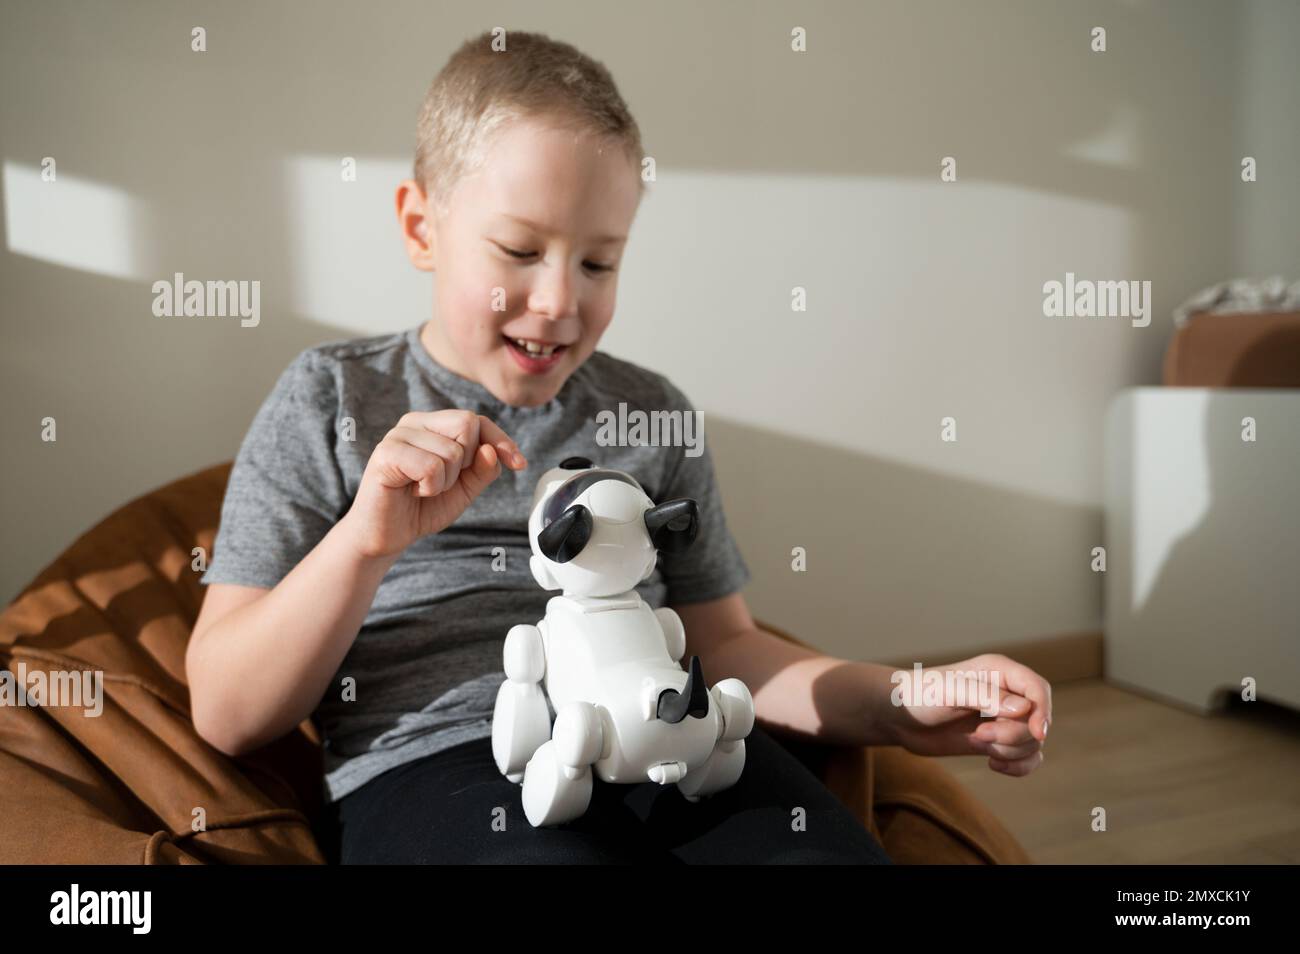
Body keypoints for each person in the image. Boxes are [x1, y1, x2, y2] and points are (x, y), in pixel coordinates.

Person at [186, 29, 1050, 865]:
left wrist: (902, 702)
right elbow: (227, 711)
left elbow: (733, 646)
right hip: (444, 762)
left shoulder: (650, 411)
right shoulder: (332, 396)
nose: (561, 299)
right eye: (520, 250)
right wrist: (366, 542)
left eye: (600, 264)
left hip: (672, 736)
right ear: (421, 227)